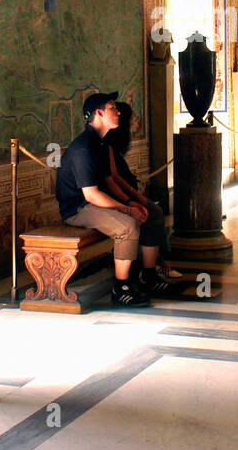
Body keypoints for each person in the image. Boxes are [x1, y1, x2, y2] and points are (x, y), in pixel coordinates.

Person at [55, 92, 179, 306]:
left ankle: (148, 276)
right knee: (127, 226)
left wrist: (133, 203)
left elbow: (110, 181)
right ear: (99, 113)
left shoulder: (100, 143)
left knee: (152, 214)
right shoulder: (84, 148)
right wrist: (126, 210)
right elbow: (91, 194)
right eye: (113, 108)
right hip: (78, 209)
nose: (119, 111)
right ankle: (121, 288)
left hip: (95, 201)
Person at [104, 101, 182, 281]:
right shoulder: (105, 145)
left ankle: (154, 263)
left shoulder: (113, 146)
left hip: (122, 195)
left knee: (153, 211)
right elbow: (113, 178)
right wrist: (135, 198)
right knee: (151, 213)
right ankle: (153, 265)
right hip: (114, 198)